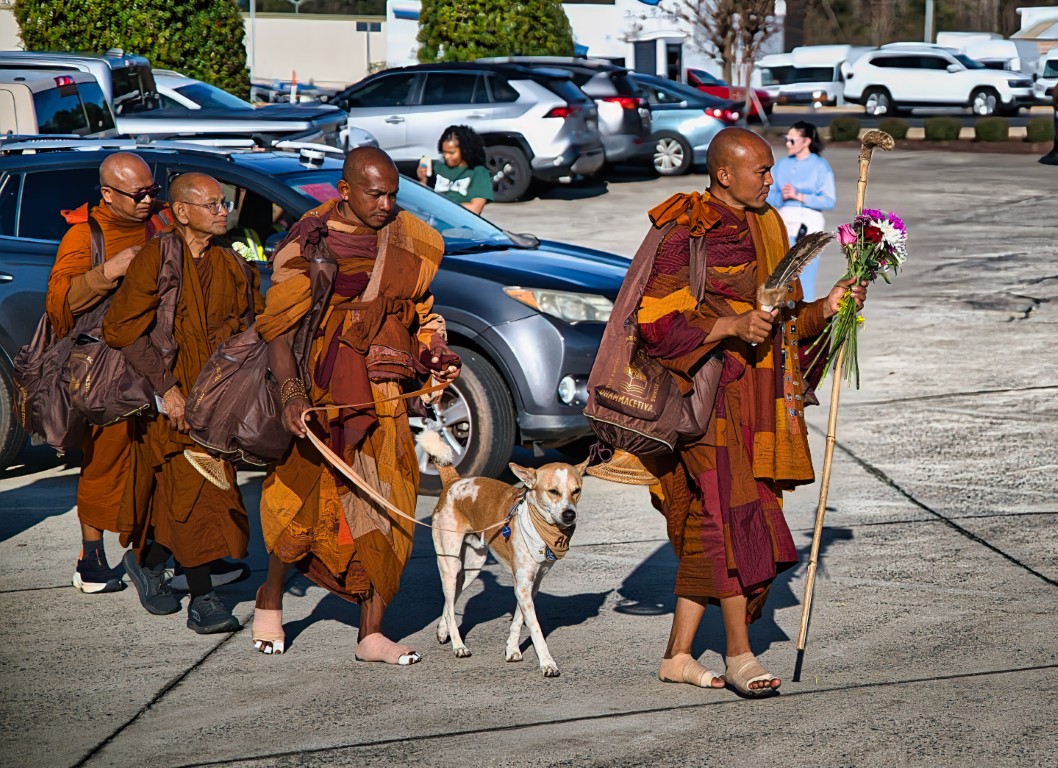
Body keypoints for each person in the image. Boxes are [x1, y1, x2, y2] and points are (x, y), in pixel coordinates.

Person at [635, 127, 866, 696]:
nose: (772, 179)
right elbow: (656, 324)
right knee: (732, 516)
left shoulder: (768, 223)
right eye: (761, 171)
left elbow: (782, 320)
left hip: (754, 401)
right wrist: (729, 325)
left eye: (770, 169)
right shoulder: (683, 229)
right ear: (724, 174)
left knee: (707, 523)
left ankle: (678, 655)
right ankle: (740, 655)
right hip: (700, 399)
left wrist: (829, 306)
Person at [253, 147, 460, 661]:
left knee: (388, 500)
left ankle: (371, 632)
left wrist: (436, 347)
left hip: (383, 389)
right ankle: (270, 597)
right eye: (376, 194)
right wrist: (291, 395)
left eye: (394, 193)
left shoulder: (412, 240)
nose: (387, 204)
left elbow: (420, 313)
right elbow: (278, 328)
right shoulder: (311, 239)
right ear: (344, 191)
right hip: (318, 392)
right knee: (299, 500)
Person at [102, 172, 263, 633]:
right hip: (170, 403)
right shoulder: (158, 257)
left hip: (219, 404)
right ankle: (204, 600)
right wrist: (166, 388)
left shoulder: (232, 262)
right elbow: (121, 329)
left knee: (193, 497)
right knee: (196, 497)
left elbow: (252, 327)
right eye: (210, 204)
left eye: (223, 204)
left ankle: (148, 564)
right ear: (181, 212)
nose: (221, 211)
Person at [45, 152, 169, 594]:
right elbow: (60, 301)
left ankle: (161, 554)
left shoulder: (160, 223)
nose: (148, 201)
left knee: (159, 460)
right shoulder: (84, 235)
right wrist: (110, 270)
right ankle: (90, 558)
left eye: (153, 191)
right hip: (106, 370)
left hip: (156, 363)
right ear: (108, 194)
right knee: (106, 461)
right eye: (138, 194)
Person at [765, 121, 836, 301]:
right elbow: (769, 195)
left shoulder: (821, 166)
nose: (788, 144)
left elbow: (829, 200)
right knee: (779, 274)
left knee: (805, 274)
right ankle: (776, 321)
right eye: (786, 140)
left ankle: (805, 319)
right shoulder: (781, 165)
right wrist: (783, 197)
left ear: (806, 141)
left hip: (809, 224)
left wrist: (801, 196)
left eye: (792, 140)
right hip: (784, 222)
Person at [416, 124, 493, 215]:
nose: (447, 156)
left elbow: (475, 209)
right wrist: (423, 180)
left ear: (465, 150)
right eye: (444, 152)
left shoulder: (478, 172)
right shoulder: (438, 168)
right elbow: (422, 203)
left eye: (451, 153)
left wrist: (438, 206)